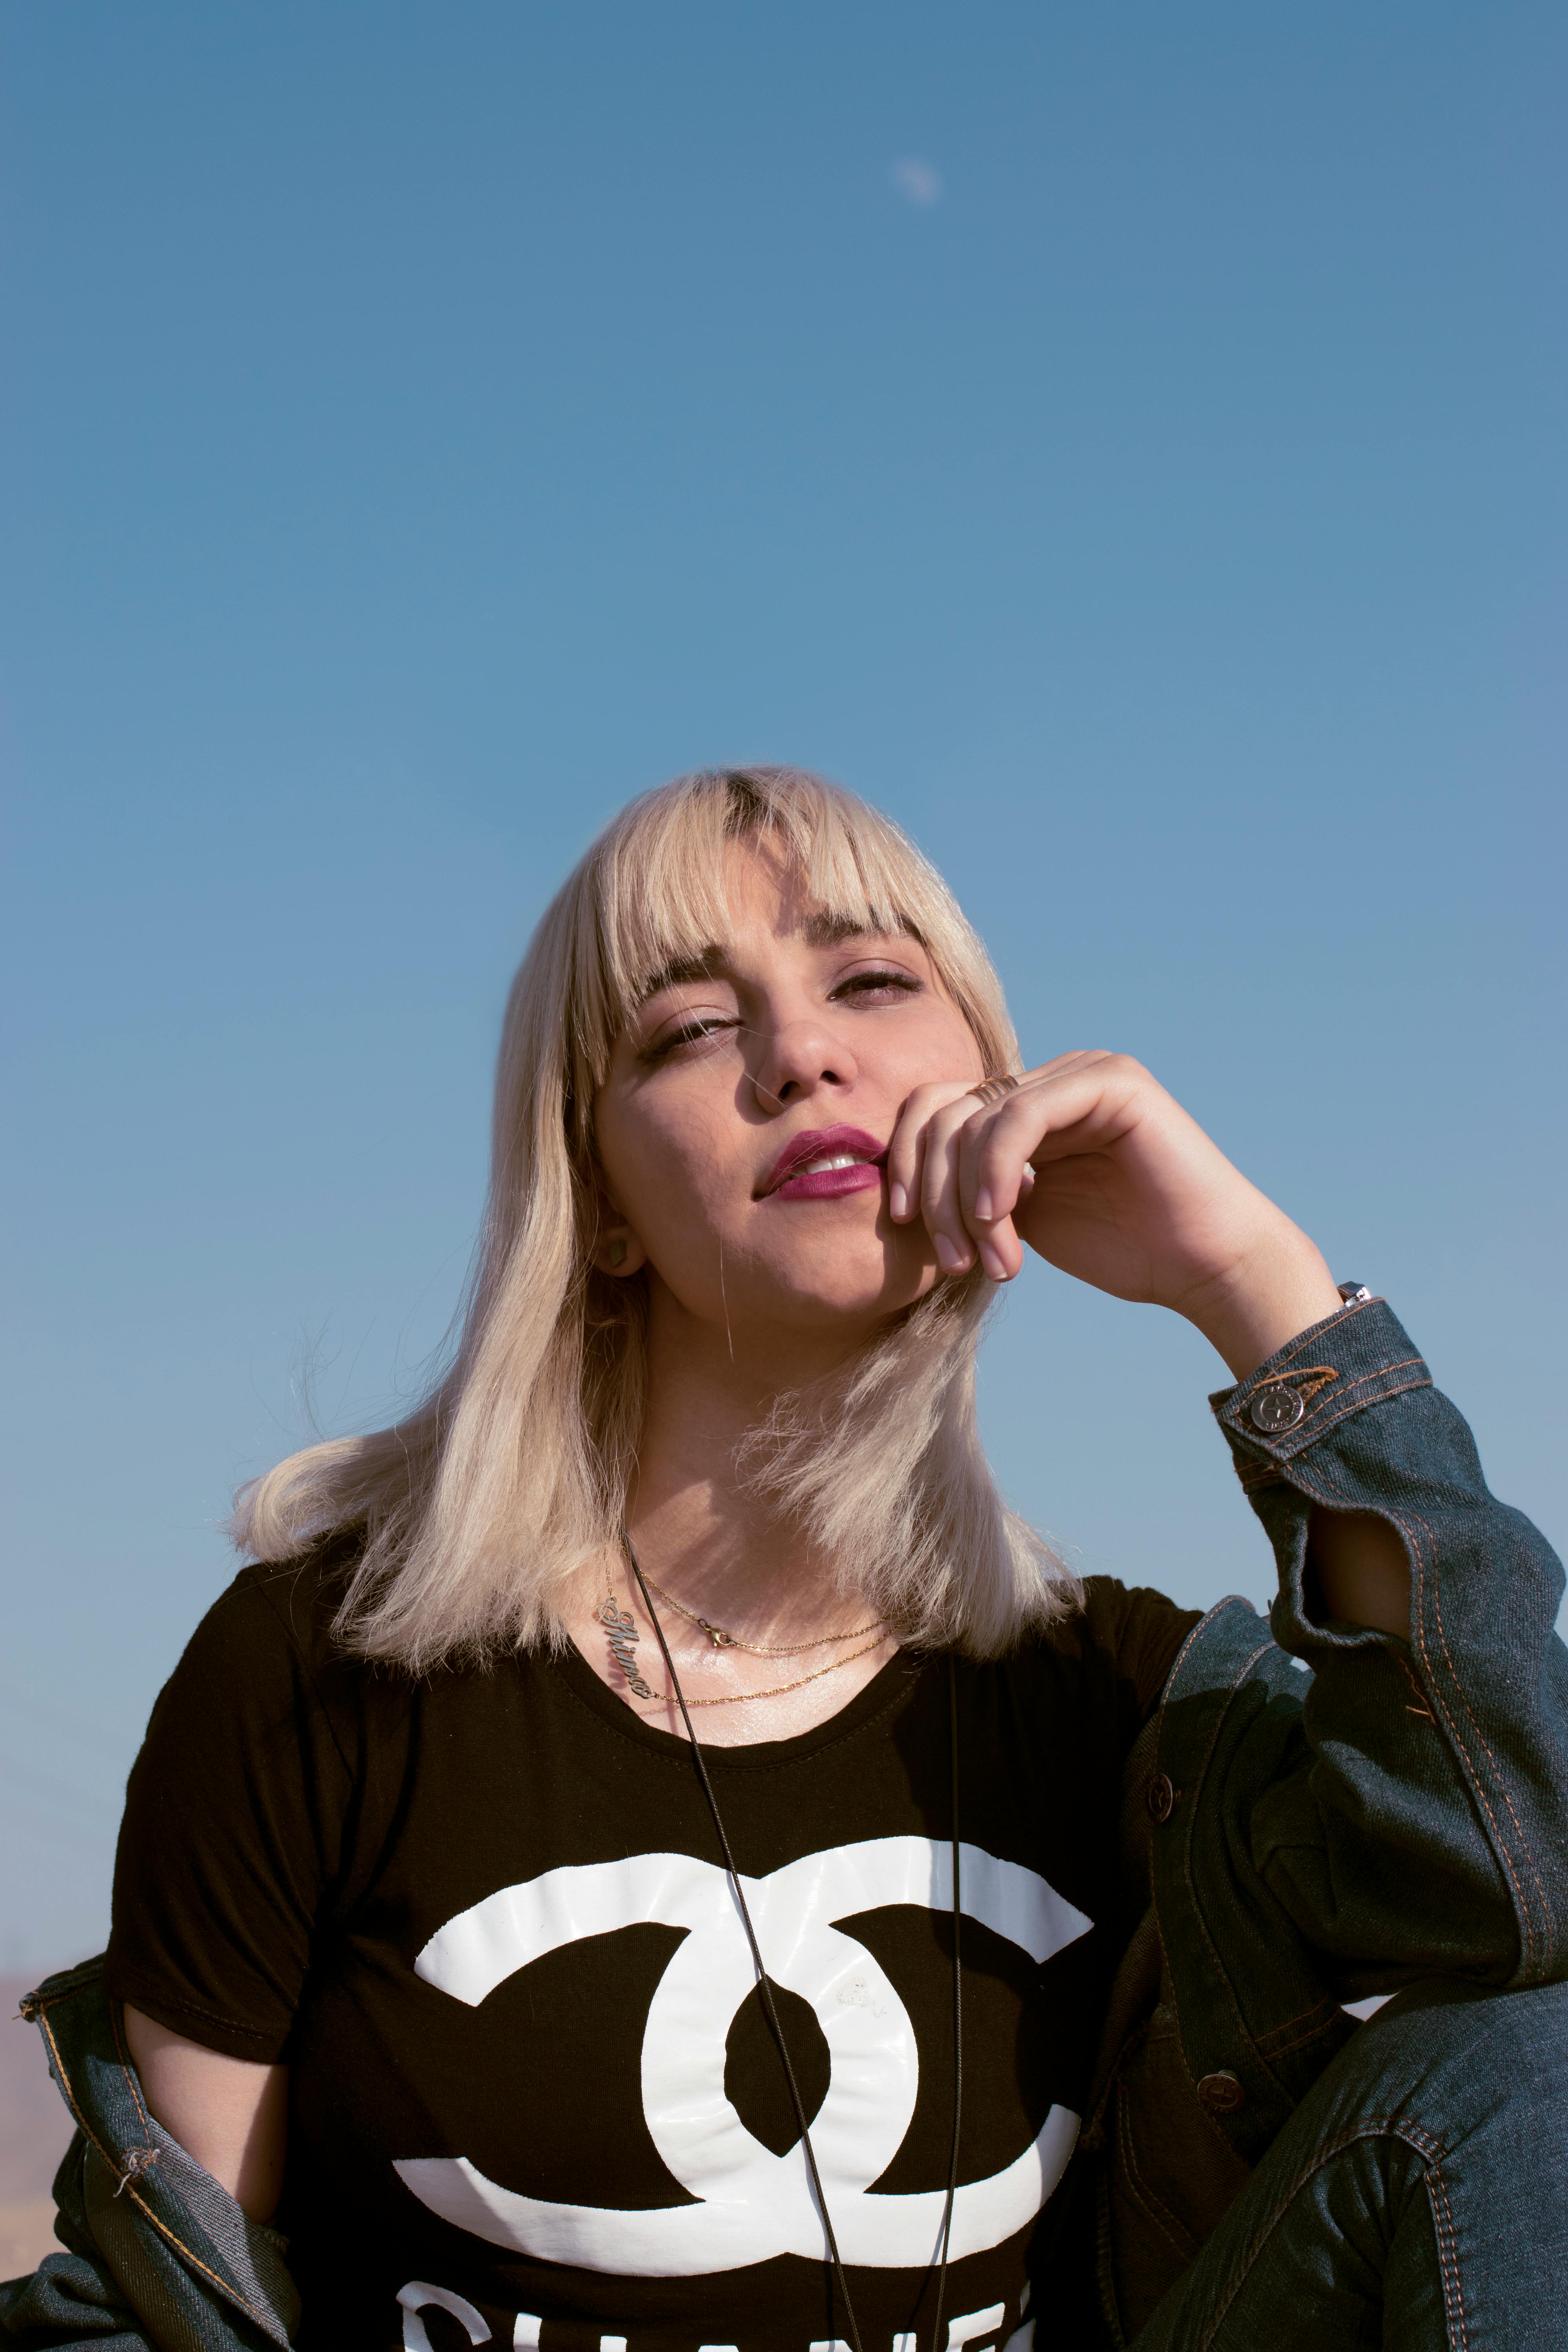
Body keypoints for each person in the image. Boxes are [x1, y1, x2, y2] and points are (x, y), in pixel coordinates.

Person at [15, 766, 1566, 2352]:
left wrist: (1259, 1291)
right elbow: (164, 2298)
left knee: (1533, 2077)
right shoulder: (324, 1676)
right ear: (601, 1203)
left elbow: (1513, 1895)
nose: (803, 1054)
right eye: (690, 1028)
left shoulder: (1116, 1701)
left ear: (996, 1093)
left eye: (873, 982)